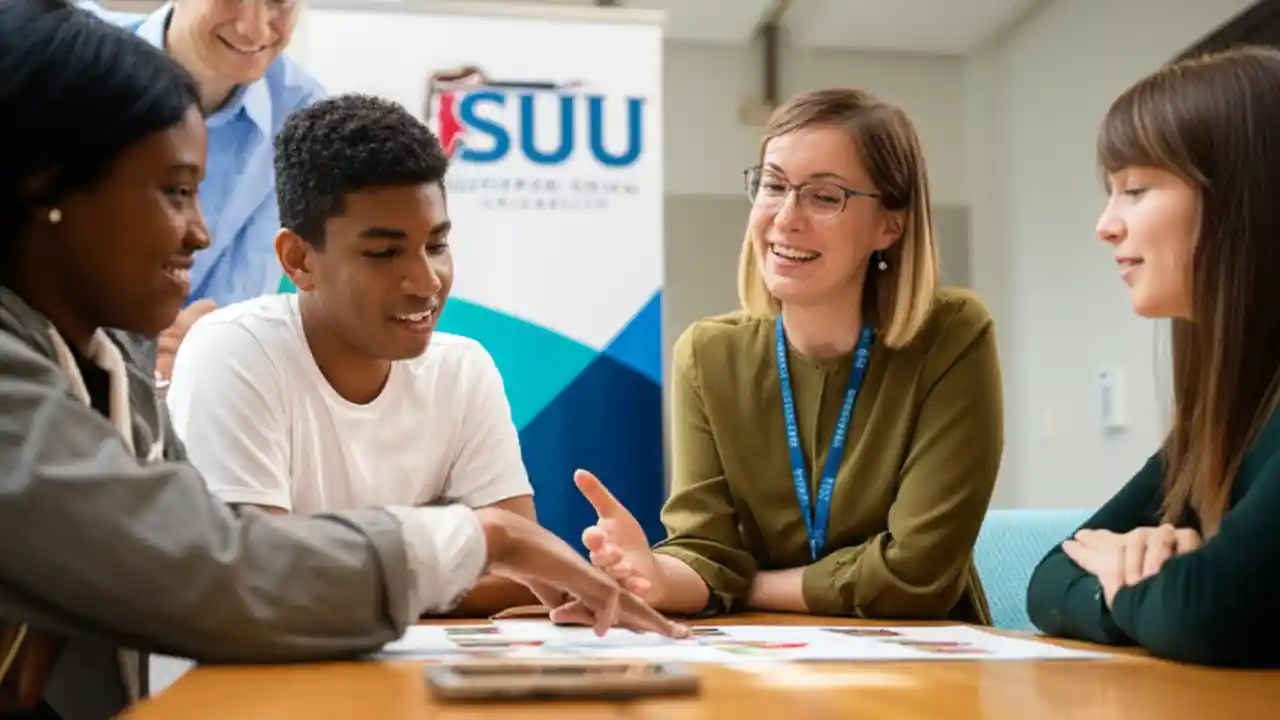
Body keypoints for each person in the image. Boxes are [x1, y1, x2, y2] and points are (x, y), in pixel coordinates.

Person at [0, 3, 683, 717]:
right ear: (45, 187)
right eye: (174, 192)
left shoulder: (113, 369)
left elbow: (208, 557)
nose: (200, 235)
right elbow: (222, 572)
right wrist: (479, 537)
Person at [575, 88, 1004, 621]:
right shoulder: (708, 356)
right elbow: (706, 554)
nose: (786, 218)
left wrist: (749, 587)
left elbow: (917, 576)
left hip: (928, 665)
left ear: (890, 225)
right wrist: (656, 576)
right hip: (763, 666)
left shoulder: (952, 335)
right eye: (774, 185)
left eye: (825, 196)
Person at [165, 93, 539, 616]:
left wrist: (346, 581)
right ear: (298, 260)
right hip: (240, 688)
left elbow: (524, 569)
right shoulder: (233, 350)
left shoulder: (463, 368)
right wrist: (450, 568)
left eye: (436, 245)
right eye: (384, 253)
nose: (426, 281)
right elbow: (259, 584)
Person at [1026, 46, 1280, 668]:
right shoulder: (1225, 411)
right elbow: (1050, 580)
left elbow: (1210, 612)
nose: (1106, 225)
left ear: (1243, 200)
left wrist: (1130, 584)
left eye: (1135, 190)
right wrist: (1144, 581)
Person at [74, 0, 326, 386]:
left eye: (279, 1)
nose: (254, 29)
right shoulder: (66, 53)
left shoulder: (299, 113)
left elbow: (220, 324)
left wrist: (183, 349)